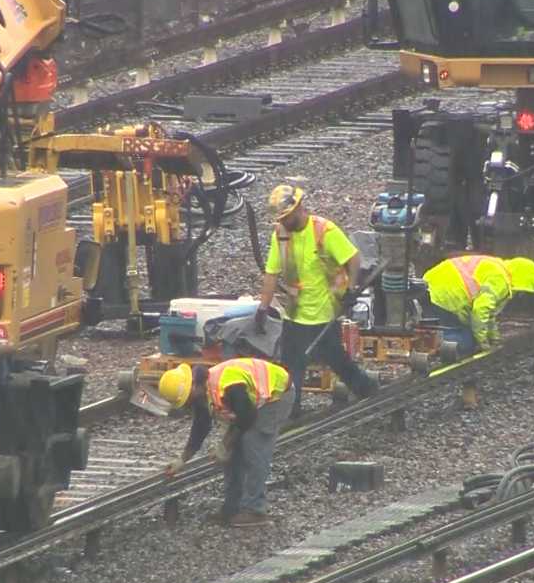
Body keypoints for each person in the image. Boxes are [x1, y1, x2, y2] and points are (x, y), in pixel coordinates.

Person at [255, 184, 378, 414]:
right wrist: (263, 308)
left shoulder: (324, 231)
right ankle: (292, 409)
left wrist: (351, 288)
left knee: (335, 359)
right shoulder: (281, 235)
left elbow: (353, 258)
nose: (284, 222)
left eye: (287, 216)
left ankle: (368, 391)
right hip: (295, 312)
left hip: (323, 311)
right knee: (292, 364)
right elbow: (271, 273)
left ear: (299, 208)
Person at [158, 358, 294, 528]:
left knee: (253, 446)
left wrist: (224, 445)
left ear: (193, 387)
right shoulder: (203, 393)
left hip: (276, 396)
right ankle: (232, 508)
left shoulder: (228, 385)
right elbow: (201, 426)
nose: (188, 404)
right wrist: (182, 459)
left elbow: (247, 417)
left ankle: (255, 510)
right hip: (251, 405)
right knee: (232, 454)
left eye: (187, 399)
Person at [422, 254, 534, 355]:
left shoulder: (497, 268)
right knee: (466, 343)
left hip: (430, 288)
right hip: (443, 297)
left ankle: (428, 340)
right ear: (519, 282)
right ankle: (432, 344)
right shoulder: (501, 280)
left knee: (459, 330)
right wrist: (483, 342)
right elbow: (480, 311)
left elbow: (488, 313)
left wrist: (494, 338)